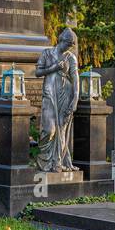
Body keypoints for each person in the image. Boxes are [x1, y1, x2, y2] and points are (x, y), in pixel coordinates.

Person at [34, 28, 79, 172]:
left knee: (62, 129)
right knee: (49, 130)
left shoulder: (71, 57)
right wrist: (53, 68)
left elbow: (75, 78)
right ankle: (44, 161)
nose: (69, 48)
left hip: (66, 94)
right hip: (50, 94)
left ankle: (58, 162)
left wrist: (75, 99)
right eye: (68, 44)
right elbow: (38, 72)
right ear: (61, 41)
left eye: (71, 46)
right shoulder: (47, 53)